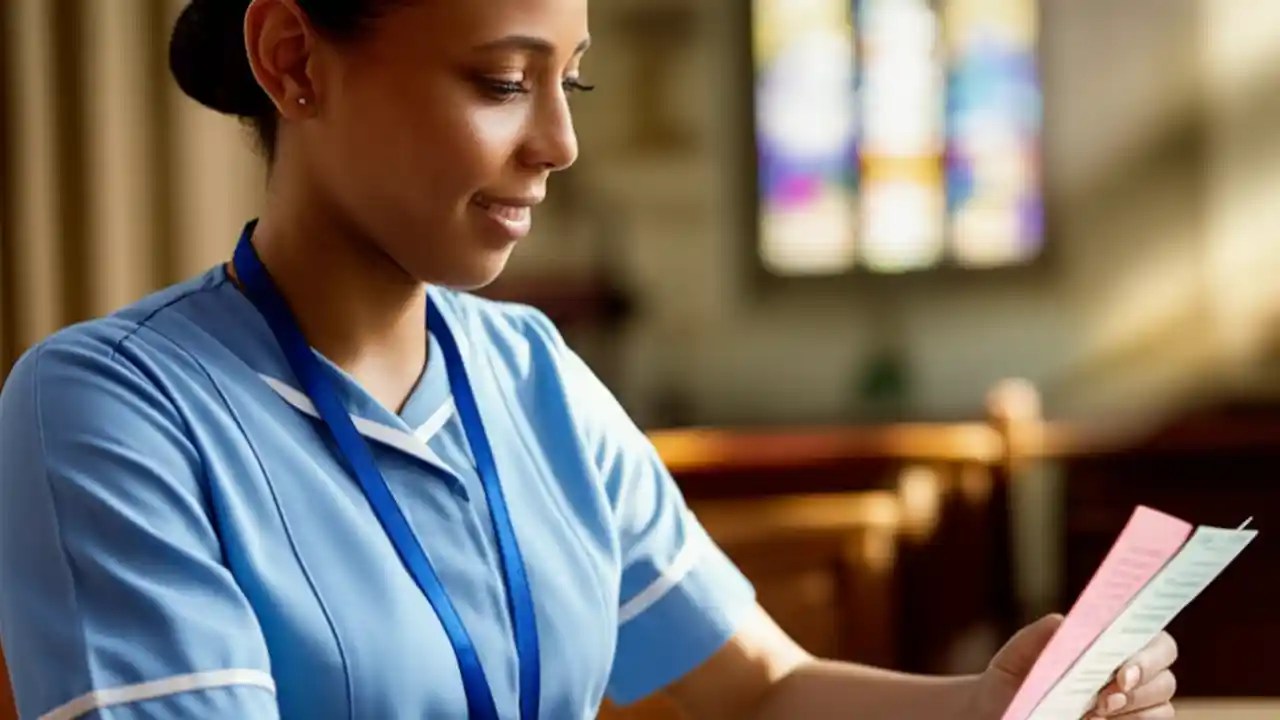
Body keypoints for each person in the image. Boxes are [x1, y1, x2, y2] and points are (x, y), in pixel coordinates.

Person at [0, 1, 1179, 718]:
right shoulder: (110, 409)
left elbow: (756, 692)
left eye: (571, 82)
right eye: (503, 82)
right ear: (293, 58)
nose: (560, 143)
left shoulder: (528, 374)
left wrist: (993, 702)